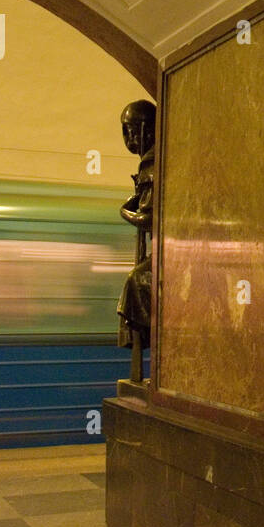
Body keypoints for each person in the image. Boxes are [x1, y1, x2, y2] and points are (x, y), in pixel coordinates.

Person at [117, 100, 156, 381]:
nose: (129, 139)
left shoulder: (153, 163)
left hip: (168, 254)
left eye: (131, 131)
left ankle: (143, 337)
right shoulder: (150, 161)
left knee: (135, 280)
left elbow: (150, 219)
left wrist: (124, 212)